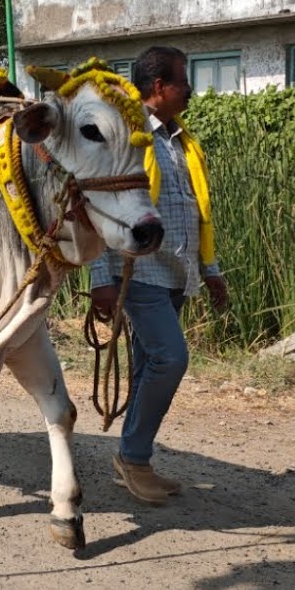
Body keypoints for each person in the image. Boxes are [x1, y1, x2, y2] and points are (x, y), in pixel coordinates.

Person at [89, 45, 230, 507]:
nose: (190, 90)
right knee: (171, 360)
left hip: (176, 272)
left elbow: (197, 209)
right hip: (137, 271)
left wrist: (209, 270)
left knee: (150, 366)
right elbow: (96, 207)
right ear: (158, 87)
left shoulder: (182, 141)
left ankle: (131, 458)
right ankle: (134, 458)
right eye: (183, 82)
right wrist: (100, 278)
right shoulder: (125, 136)